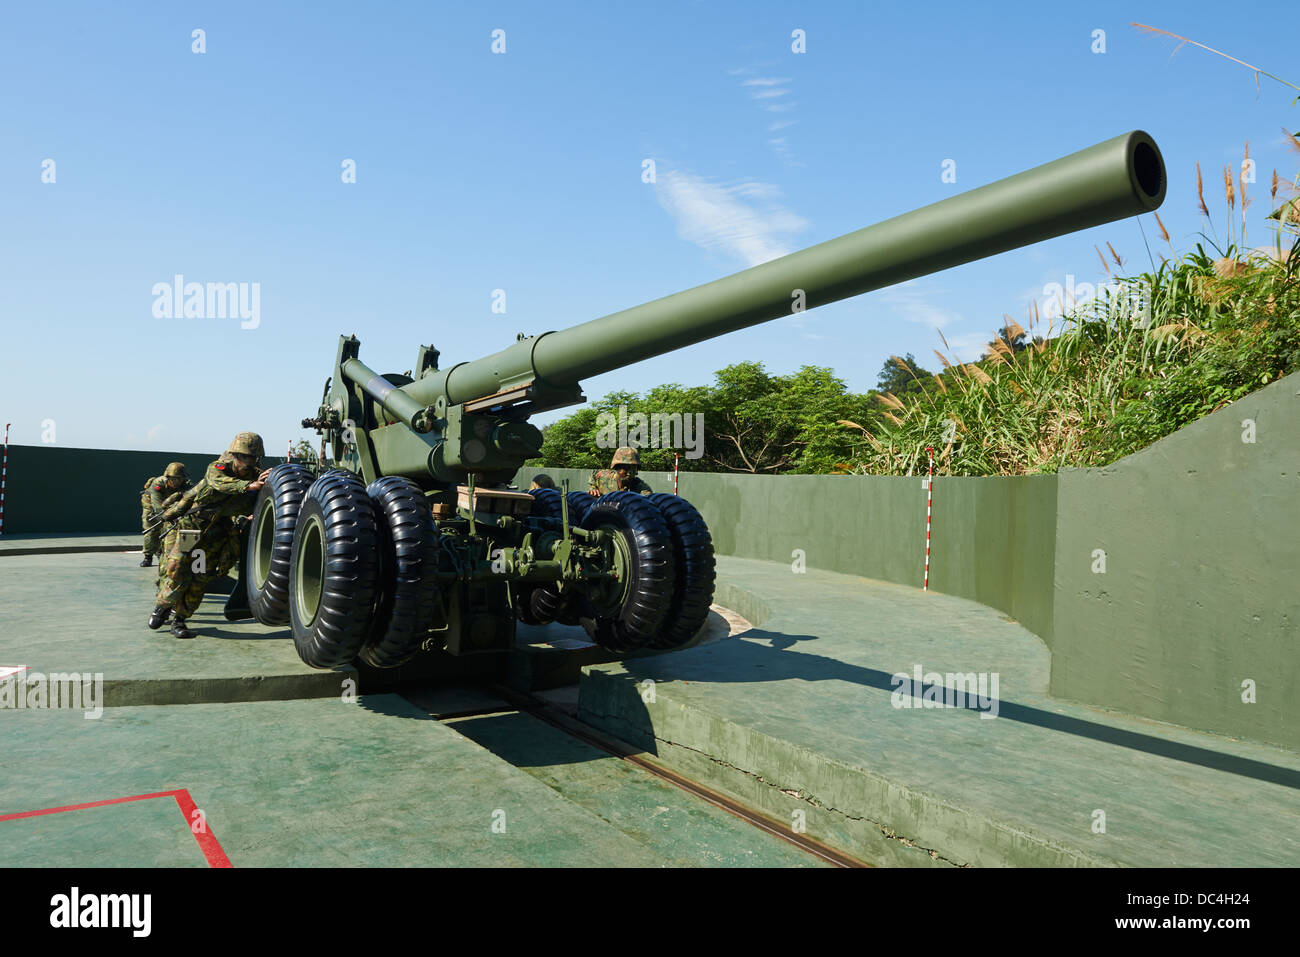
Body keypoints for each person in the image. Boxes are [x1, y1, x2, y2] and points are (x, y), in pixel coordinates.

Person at [148, 432, 271, 638]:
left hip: (214, 536)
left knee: (199, 576)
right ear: (234, 455)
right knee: (177, 568)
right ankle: (162, 606)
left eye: (253, 458)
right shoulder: (217, 468)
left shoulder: (255, 477)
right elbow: (219, 483)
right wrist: (248, 486)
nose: (249, 463)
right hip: (193, 528)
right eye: (245, 457)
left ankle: (180, 619)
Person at [139, 462, 190, 566]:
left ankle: (162, 553)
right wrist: (169, 515)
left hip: (172, 507)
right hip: (151, 505)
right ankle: (148, 557)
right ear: (167, 477)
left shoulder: (186, 485)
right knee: (152, 529)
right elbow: (157, 506)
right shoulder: (158, 483)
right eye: (174, 479)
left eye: (180, 479)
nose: (177, 482)